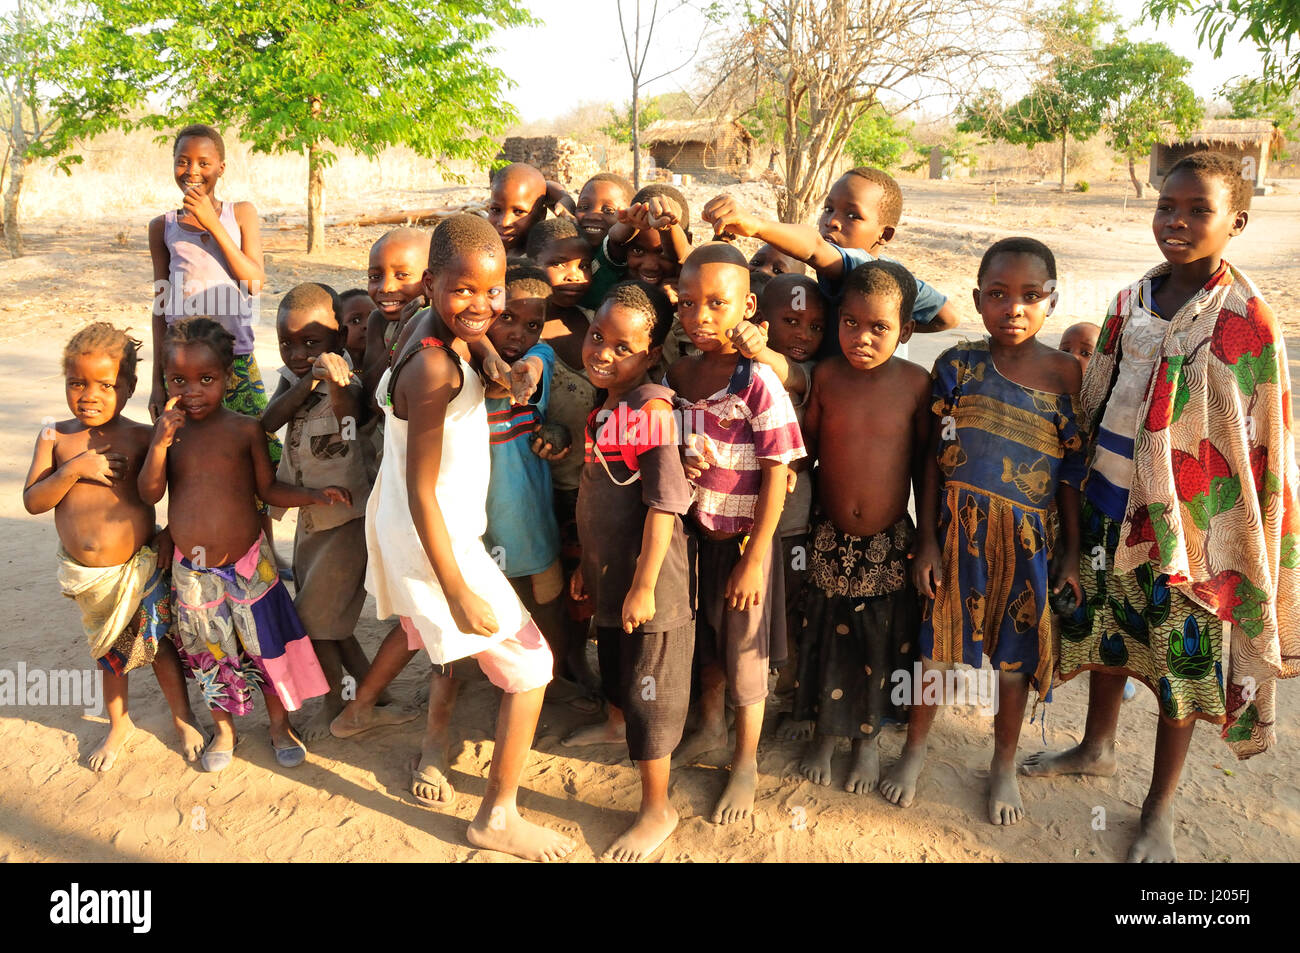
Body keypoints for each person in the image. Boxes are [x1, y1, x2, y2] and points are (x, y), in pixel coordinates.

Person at [1023, 152, 1300, 862]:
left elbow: (1260, 439)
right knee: (1109, 636)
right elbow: (1096, 402)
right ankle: (1096, 746)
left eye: (1197, 210)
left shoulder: (1249, 320)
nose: (1175, 222)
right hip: (1110, 508)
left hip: (1190, 533)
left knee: (1182, 666)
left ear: (1235, 221)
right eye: (1165, 207)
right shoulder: (1127, 301)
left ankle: (1159, 808)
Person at [361, 213, 575, 861]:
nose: (481, 306)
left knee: (447, 642)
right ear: (430, 284)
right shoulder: (431, 373)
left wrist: (494, 360)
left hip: (414, 525)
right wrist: (455, 588)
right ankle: (497, 815)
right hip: (436, 538)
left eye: (494, 291)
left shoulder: (429, 326)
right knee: (532, 666)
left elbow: (473, 335)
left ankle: (378, 717)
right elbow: (423, 488)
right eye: (464, 292)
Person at [901, 237, 1085, 824]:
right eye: (999, 295)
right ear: (979, 301)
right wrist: (926, 539)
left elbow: (1071, 476)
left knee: (1014, 660)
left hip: (1029, 544)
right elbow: (931, 457)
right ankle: (914, 748)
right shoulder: (957, 366)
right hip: (957, 537)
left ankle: (1003, 763)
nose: (1015, 309)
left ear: (1052, 301)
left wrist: (1073, 555)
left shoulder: (1066, 374)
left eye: (1031, 296)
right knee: (937, 650)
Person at [139, 318, 348, 773]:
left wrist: (312, 495)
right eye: (179, 380)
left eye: (206, 380)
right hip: (192, 574)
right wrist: (158, 444)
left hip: (251, 566)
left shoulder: (245, 430)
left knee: (266, 647)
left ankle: (279, 726)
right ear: (166, 381)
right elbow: (150, 494)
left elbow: (268, 490)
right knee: (209, 652)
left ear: (228, 379)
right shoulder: (168, 436)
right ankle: (225, 728)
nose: (192, 391)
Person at [666, 243, 806, 825]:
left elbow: (780, 469)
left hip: (746, 541)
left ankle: (745, 762)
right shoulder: (679, 372)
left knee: (746, 652)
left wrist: (755, 558)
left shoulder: (758, 383)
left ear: (747, 307)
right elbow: (670, 440)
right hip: (694, 534)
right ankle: (709, 726)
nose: (701, 317)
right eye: (690, 303)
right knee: (706, 640)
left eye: (717, 305)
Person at [24, 323, 205, 771]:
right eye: (77, 383)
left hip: (140, 566)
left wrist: (168, 535)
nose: (89, 395)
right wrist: (72, 471)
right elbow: (32, 501)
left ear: (128, 389)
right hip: (92, 578)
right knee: (110, 651)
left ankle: (182, 718)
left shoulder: (143, 436)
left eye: (106, 385)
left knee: (159, 644)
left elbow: (171, 491)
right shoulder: (55, 438)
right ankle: (118, 723)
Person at [567, 280, 695, 861]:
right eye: (597, 337)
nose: (602, 353)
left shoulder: (649, 407)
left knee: (651, 689)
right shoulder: (610, 402)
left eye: (622, 347)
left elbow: (665, 501)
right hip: (611, 573)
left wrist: (644, 583)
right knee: (617, 662)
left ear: (650, 353)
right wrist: (589, 567)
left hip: (651, 584)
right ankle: (615, 723)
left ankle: (656, 808)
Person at [791, 260, 929, 792]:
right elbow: (808, 449)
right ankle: (825, 734)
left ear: (906, 331)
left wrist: (928, 541)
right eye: (850, 323)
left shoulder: (915, 383)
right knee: (824, 633)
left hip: (889, 538)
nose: (862, 338)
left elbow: (924, 466)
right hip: (828, 536)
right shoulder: (827, 377)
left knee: (877, 642)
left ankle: (866, 743)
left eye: (879, 328)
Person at [262, 283, 399, 743]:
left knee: (317, 620)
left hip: (346, 519)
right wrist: (307, 379)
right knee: (332, 621)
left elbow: (350, 412)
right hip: (310, 517)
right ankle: (376, 698)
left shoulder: (351, 381)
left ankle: (337, 705)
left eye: (311, 343)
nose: (298, 352)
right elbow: (269, 421)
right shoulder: (292, 378)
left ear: (338, 341)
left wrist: (333, 380)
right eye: (288, 342)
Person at [701, 167, 959, 361]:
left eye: (852, 215)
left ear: (885, 234)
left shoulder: (864, 267)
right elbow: (947, 317)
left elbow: (814, 248)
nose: (832, 221)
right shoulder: (897, 280)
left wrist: (756, 226)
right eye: (828, 209)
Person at [728, 273, 826, 735]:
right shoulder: (732, 365)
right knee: (739, 601)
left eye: (816, 326)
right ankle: (738, 693)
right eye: (791, 321)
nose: (805, 334)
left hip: (791, 508)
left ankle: (787, 694)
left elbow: (792, 375)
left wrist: (761, 349)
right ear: (759, 317)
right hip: (732, 505)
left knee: (789, 602)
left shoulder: (806, 372)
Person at [483, 266, 583, 702]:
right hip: (480, 521)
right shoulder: (459, 367)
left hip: (528, 513)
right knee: (490, 605)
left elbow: (536, 362)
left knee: (547, 600)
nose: (517, 333)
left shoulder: (534, 363)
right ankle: (504, 687)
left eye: (531, 324)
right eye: (506, 318)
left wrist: (556, 433)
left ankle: (556, 678)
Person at [147, 126, 274, 446]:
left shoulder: (241, 213)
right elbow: (161, 306)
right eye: (183, 161)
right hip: (182, 365)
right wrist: (157, 382)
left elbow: (254, 283)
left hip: (236, 358)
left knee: (256, 445)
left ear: (221, 167)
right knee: (189, 450)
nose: (192, 171)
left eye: (204, 163)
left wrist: (212, 223)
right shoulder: (163, 226)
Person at [487, 162, 573, 254]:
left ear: (542, 215)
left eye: (518, 212)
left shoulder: (547, 258)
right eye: (496, 210)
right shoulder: (481, 250)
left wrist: (563, 196)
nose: (504, 223)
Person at [526, 218, 593, 312]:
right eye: (558, 264)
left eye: (583, 266)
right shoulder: (504, 312)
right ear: (531, 264)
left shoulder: (592, 319)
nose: (574, 277)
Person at [574, 172, 634, 250]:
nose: (593, 216)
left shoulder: (623, 256)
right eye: (583, 207)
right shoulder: (563, 247)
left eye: (608, 210)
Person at [339, 288, 374, 369]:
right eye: (355, 321)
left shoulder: (392, 359)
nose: (367, 325)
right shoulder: (335, 369)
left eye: (373, 318)